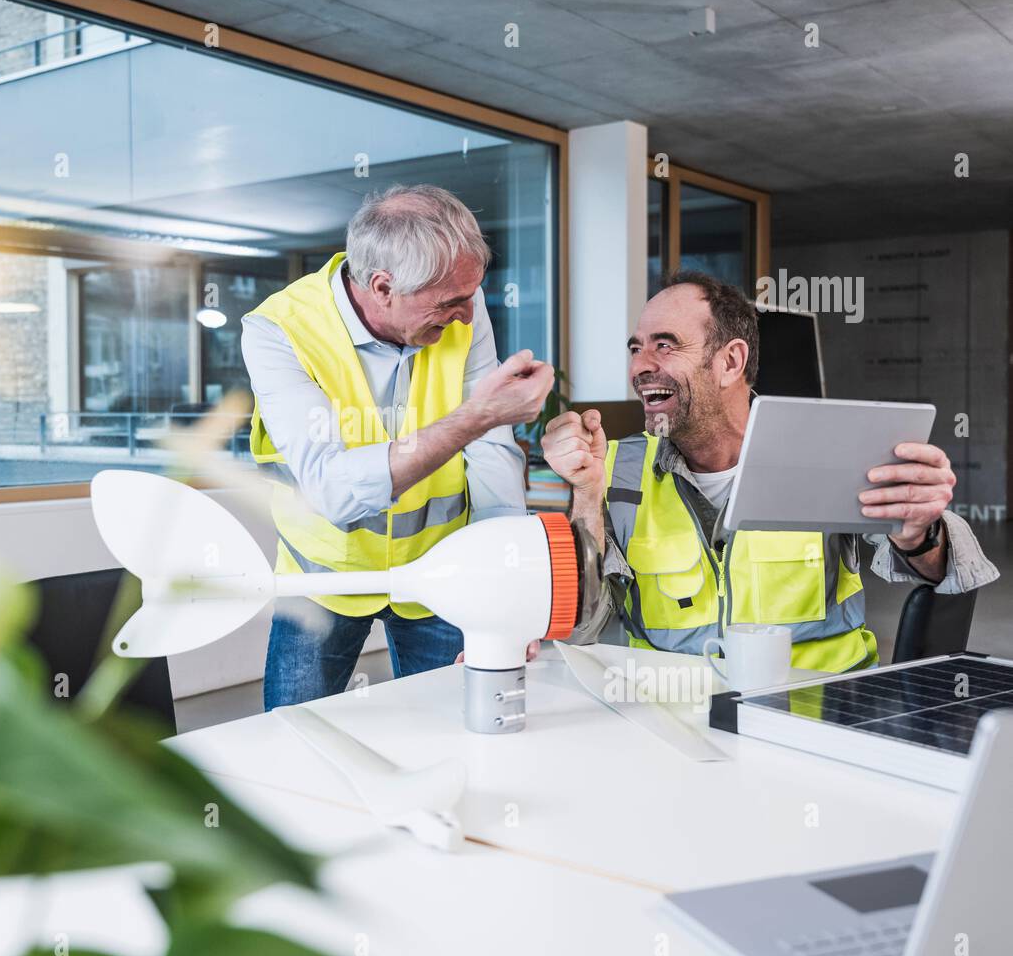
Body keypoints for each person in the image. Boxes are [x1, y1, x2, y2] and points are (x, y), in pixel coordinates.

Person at [542, 270, 998, 670]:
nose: (641, 366)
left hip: (819, 714)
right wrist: (586, 493)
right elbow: (580, 628)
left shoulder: (825, 449)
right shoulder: (614, 469)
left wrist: (921, 532)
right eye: (636, 348)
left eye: (665, 346)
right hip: (674, 720)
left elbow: (947, 576)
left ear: (731, 362)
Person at [243, 184, 552, 707]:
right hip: (325, 581)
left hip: (444, 569)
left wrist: (504, 583)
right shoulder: (278, 331)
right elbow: (333, 489)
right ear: (383, 287)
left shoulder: (463, 298)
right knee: (292, 741)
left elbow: (492, 448)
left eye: (469, 296)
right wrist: (476, 416)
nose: (467, 317)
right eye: (450, 303)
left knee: (457, 729)